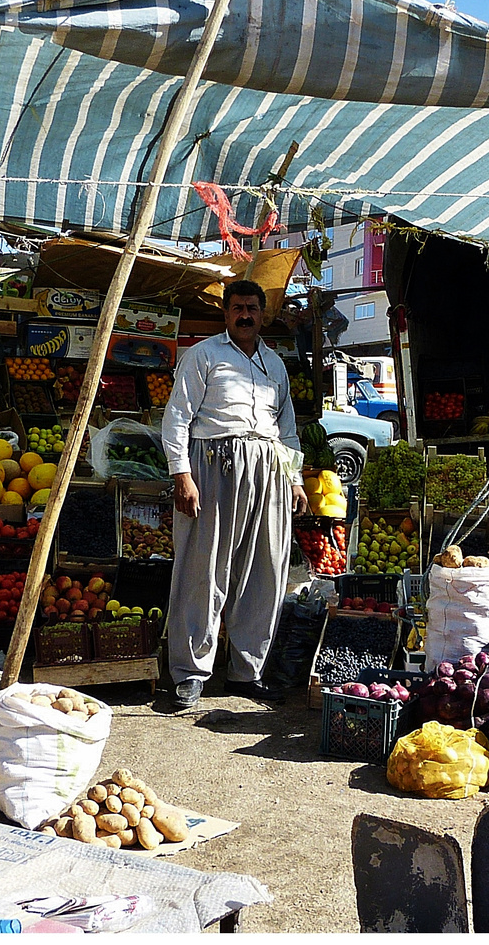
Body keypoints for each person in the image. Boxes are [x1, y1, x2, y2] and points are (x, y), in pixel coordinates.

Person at [158, 280, 307, 710]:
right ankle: (190, 673)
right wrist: (182, 475)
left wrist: (294, 479)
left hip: (270, 469)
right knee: (204, 570)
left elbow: (289, 429)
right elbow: (177, 419)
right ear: (226, 314)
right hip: (213, 465)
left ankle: (247, 670)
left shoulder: (274, 364)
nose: (245, 315)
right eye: (238, 308)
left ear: (263, 314)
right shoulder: (202, 355)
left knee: (265, 571)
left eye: (253, 308)